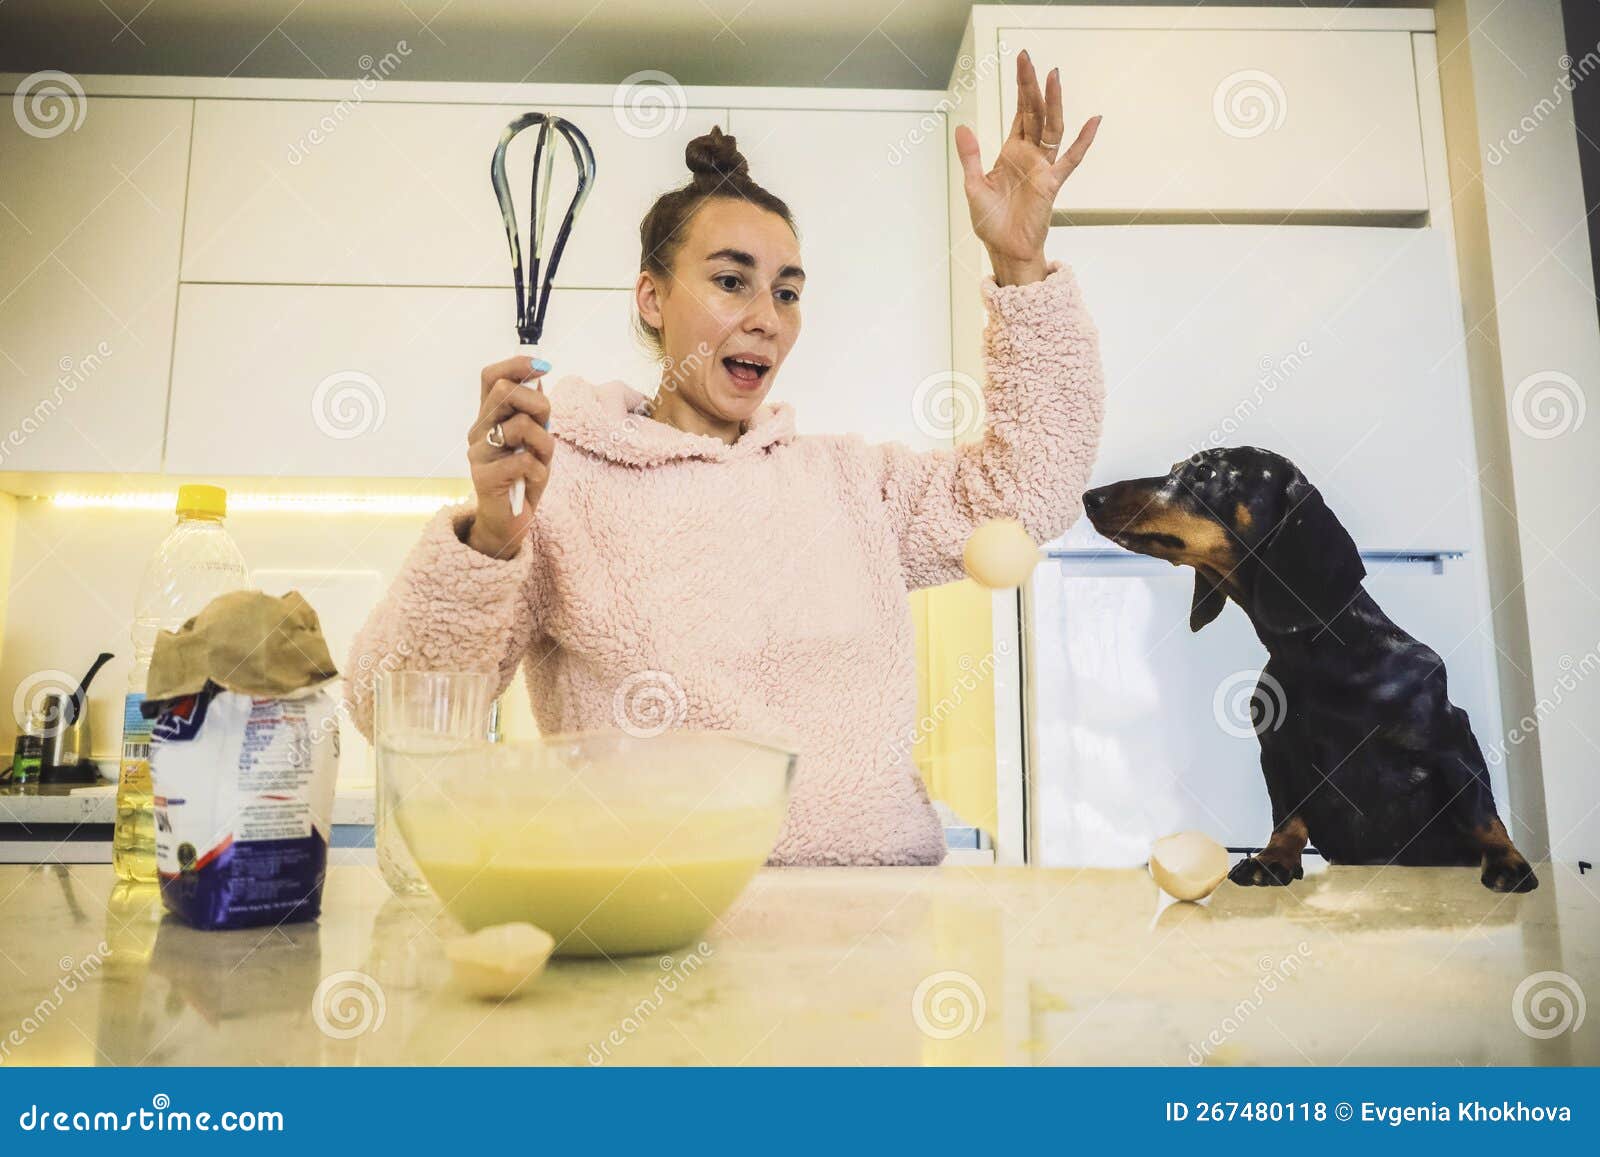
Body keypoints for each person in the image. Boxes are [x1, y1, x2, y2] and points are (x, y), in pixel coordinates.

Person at [345, 50, 1105, 866]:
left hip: (870, 928)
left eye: (786, 290)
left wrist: (1020, 267)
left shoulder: (850, 484)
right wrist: (490, 538)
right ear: (652, 298)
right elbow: (393, 713)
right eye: (730, 282)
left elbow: (1029, 491)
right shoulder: (558, 487)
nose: (766, 319)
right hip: (653, 925)